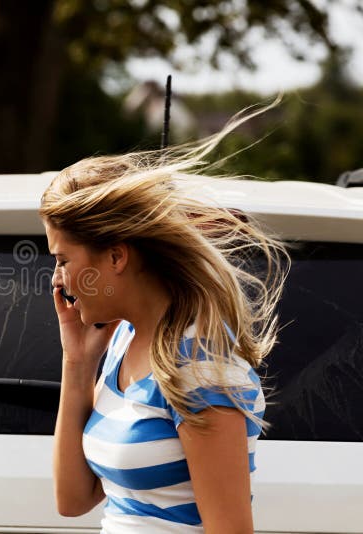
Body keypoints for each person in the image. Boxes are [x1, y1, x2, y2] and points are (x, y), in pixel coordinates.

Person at [39, 104, 288, 533]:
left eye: (63, 260)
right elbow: (73, 499)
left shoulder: (198, 368)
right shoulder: (124, 342)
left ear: (116, 256)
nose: (58, 281)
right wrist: (77, 363)